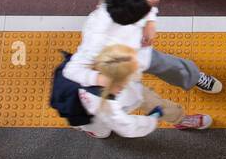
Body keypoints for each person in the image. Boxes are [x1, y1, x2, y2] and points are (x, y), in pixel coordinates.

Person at [65, 0, 223, 112]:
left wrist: (150, 21)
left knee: (167, 64)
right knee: (136, 95)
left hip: (140, 51)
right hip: (122, 61)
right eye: (147, 7)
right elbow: (72, 70)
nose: (156, 0)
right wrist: (101, 79)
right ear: (131, 20)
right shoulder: (97, 40)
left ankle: (193, 77)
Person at [77, 43, 211, 137]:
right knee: (99, 126)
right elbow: (130, 128)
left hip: (118, 83)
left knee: (152, 101)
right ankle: (97, 130)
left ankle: (179, 118)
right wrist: (152, 119)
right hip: (94, 110)